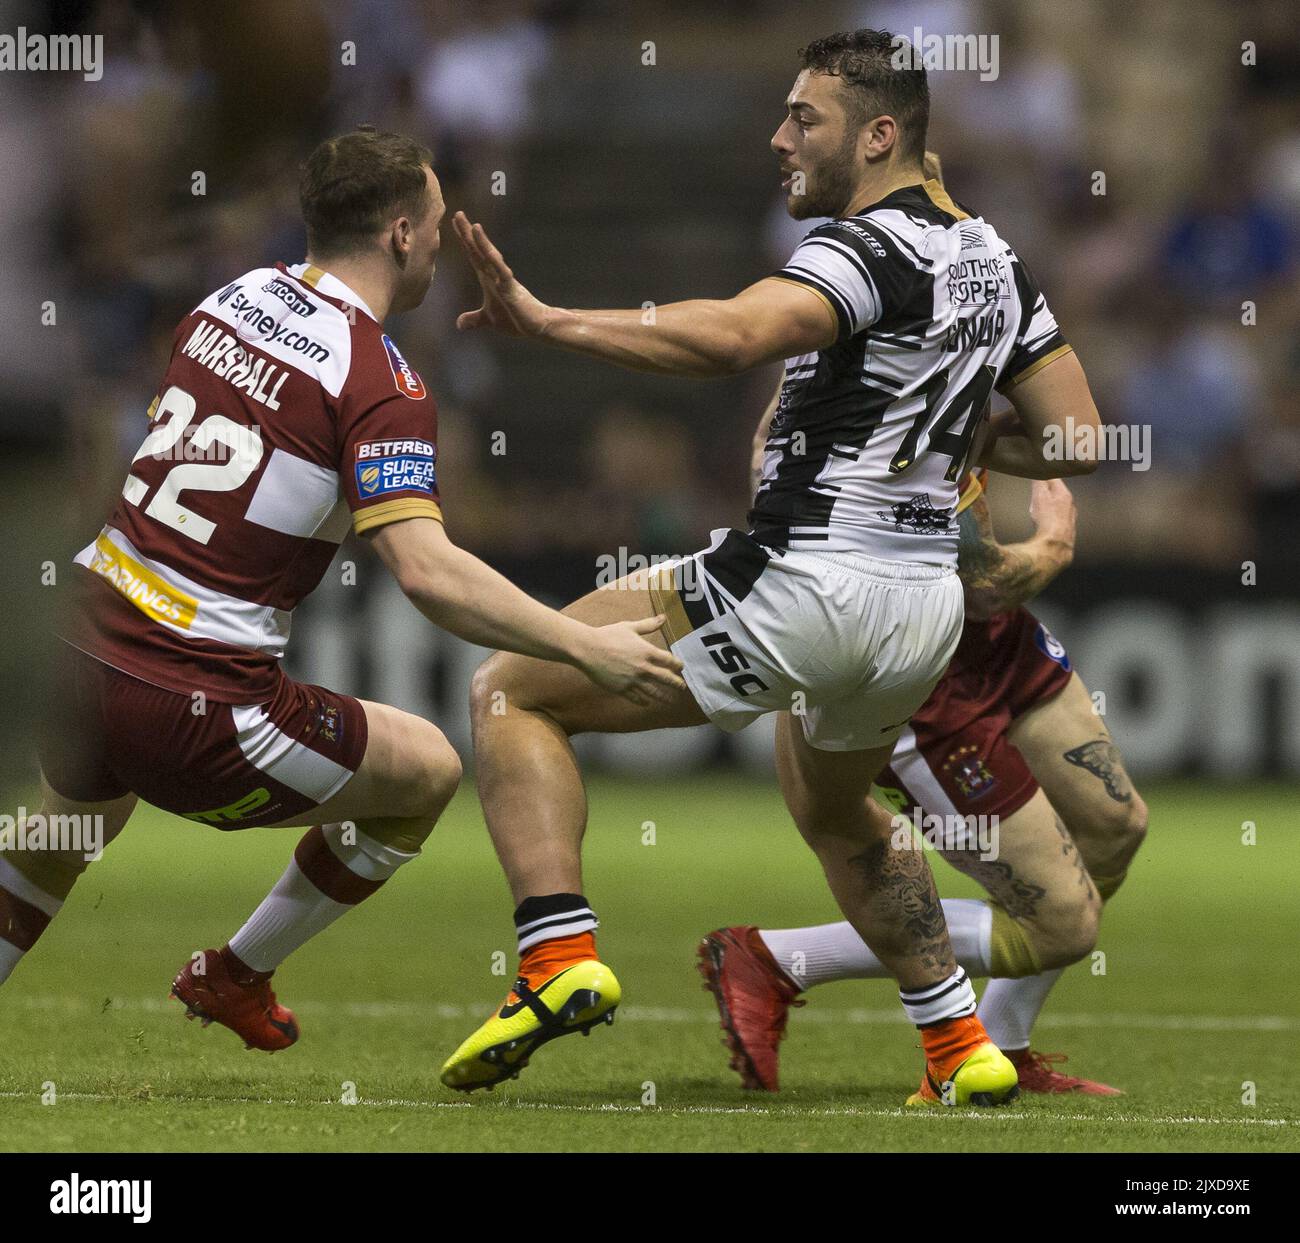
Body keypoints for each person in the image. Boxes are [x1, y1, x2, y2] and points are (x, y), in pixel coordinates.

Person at [440, 29, 1099, 1106]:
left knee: (511, 687)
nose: (777, 137)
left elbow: (737, 335)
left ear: (879, 135)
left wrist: (552, 321)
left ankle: (556, 960)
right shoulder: (992, 259)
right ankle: (955, 1043)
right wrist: (952, 440)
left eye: (806, 119)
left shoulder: (866, 246)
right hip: (920, 607)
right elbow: (1074, 437)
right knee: (840, 813)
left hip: (806, 577)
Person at [5, 126, 682, 1053]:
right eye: (439, 224)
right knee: (428, 773)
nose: (442, 244)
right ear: (403, 233)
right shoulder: (378, 378)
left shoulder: (227, 298)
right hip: (195, 702)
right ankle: (236, 973)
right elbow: (427, 570)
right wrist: (583, 644)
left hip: (76, 650)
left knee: (67, 826)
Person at [700, 460, 1147, 1101]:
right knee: (1062, 929)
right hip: (919, 674)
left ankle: (1005, 1042)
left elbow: (1067, 436)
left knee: (1114, 827)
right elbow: (987, 582)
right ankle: (777, 959)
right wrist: (1054, 540)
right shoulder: (867, 396)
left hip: (995, 640)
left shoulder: (965, 365)